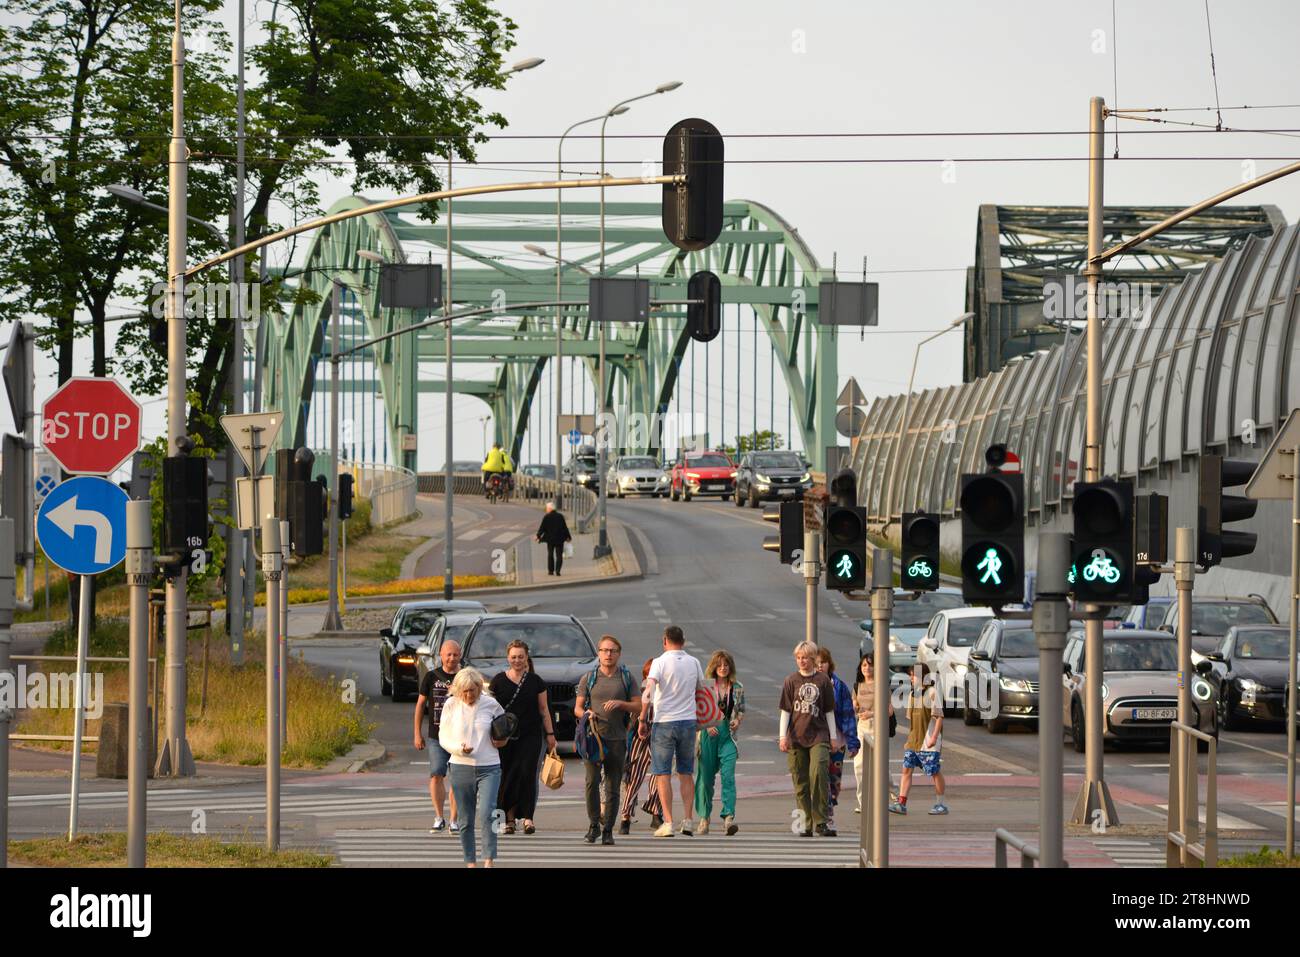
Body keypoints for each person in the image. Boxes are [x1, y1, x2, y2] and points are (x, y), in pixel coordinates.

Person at [639, 625, 707, 837]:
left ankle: (668, 822)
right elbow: (701, 690)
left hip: (664, 722)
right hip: (688, 721)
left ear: (665, 641)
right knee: (686, 772)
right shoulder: (694, 662)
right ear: (683, 641)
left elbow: (647, 692)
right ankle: (687, 820)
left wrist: (642, 718)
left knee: (662, 773)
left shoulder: (659, 662)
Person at [574, 635, 641, 845]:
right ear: (599, 654)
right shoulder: (589, 678)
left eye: (612, 651)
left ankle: (608, 830)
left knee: (613, 786)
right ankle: (594, 825)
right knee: (592, 782)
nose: (608, 654)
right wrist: (587, 714)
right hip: (594, 739)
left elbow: (639, 706)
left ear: (618, 654)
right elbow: (577, 708)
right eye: (604, 651)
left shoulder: (627, 678)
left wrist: (621, 704)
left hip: (617, 739)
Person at [439, 667, 508, 867]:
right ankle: (470, 861)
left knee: (488, 812)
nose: (469, 695)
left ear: (480, 688)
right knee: (465, 819)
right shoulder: (451, 704)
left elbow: (504, 727)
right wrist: (459, 749)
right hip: (461, 766)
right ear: (458, 690)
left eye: (473, 690)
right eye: (465, 691)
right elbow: (444, 737)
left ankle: (489, 859)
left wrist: (503, 740)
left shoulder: (491, 704)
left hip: (490, 765)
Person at [489, 639, 555, 834]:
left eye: (521, 657)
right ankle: (508, 820)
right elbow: (490, 711)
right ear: (508, 658)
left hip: (531, 735)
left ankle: (528, 818)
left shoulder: (536, 681)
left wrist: (550, 734)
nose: (517, 660)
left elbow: (544, 709)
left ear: (527, 658)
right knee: (507, 776)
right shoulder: (498, 681)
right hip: (506, 737)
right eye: (513, 657)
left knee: (527, 775)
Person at [779, 640, 841, 837]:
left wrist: (833, 737)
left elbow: (829, 711)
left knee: (818, 774)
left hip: (819, 736)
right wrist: (783, 736)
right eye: (798, 658)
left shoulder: (823, 681)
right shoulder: (790, 681)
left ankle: (821, 821)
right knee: (801, 780)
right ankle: (805, 823)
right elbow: (785, 711)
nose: (801, 661)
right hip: (796, 737)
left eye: (805, 657)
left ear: (813, 659)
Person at [694, 650, 745, 836]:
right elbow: (697, 709)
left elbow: (741, 710)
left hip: (728, 737)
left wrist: (737, 721)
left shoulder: (737, 687)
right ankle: (704, 818)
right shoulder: (705, 687)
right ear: (714, 667)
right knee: (705, 780)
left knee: (728, 777)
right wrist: (707, 725)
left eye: (726, 665)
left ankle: (728, 817)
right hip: (708, 736)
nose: (723, 668)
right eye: (719, 665)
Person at [413, 639, 462, 833]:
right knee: (436, 773)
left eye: (455, 654)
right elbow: (420, 705)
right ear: (440, 655)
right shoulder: (431, 676)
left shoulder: (464, 676)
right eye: (448, 654)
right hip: (436, 735)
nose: (451, 658)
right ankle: (439, 816)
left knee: (457, 777)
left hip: (459, 736)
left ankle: (454, 820)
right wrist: (417, 733)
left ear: (460, 655)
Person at [890, 662, 948, 816]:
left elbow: (939, 717)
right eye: (910, 675)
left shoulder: (932, 693)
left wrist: (934, 738)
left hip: (928, 741)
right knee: (906, 770)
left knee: (934, 771)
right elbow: (912, 721)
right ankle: (901, 803)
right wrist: (909, 739)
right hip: (913, 741)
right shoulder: (912, 695)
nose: (911, 678)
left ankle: (940, 804)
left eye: (913, 675)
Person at [817, 647, 859, 837]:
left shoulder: (838, 686)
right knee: (820, 778)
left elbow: (848, 714)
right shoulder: (809, 684)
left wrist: (852, 741)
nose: (819, 665)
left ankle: (828, 809)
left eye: (822, 662)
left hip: (838, 741)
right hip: (816, 740)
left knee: (834, 783)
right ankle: (824, 817)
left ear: (829, 664)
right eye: (816, 662)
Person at [618, 658, 662, 833]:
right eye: (650, 672)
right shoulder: (641, 690)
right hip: (640, 737)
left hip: (659, 737)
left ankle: (656, 812)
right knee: (634, 778)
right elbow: (633, 717)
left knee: (660, 776)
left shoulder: (664, 691)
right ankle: (625, 817)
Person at [851, 652, 895, 814]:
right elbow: (853, 705)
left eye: (870, 664)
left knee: (881, 766)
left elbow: (889, 710)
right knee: (859, 765)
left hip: (878, 728)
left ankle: (894, 792)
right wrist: (855, 707)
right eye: (864, 665)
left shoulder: (881, 685)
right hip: (862, 727)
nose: (867, 668)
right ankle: (863, 802)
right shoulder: (857, 686)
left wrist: (873, 713)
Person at [535, 502, 572, 576]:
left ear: (549, 509)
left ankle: (551, 571)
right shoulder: (560, 516)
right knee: (559, 555)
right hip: (559, 539)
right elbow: (565, 528)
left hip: (550, 539)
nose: (546, 510)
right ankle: (558, 571)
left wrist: (538, 536)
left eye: (547, 508)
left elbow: (542, 528)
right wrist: (568, 537)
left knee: (550, 554)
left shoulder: (547, 517)